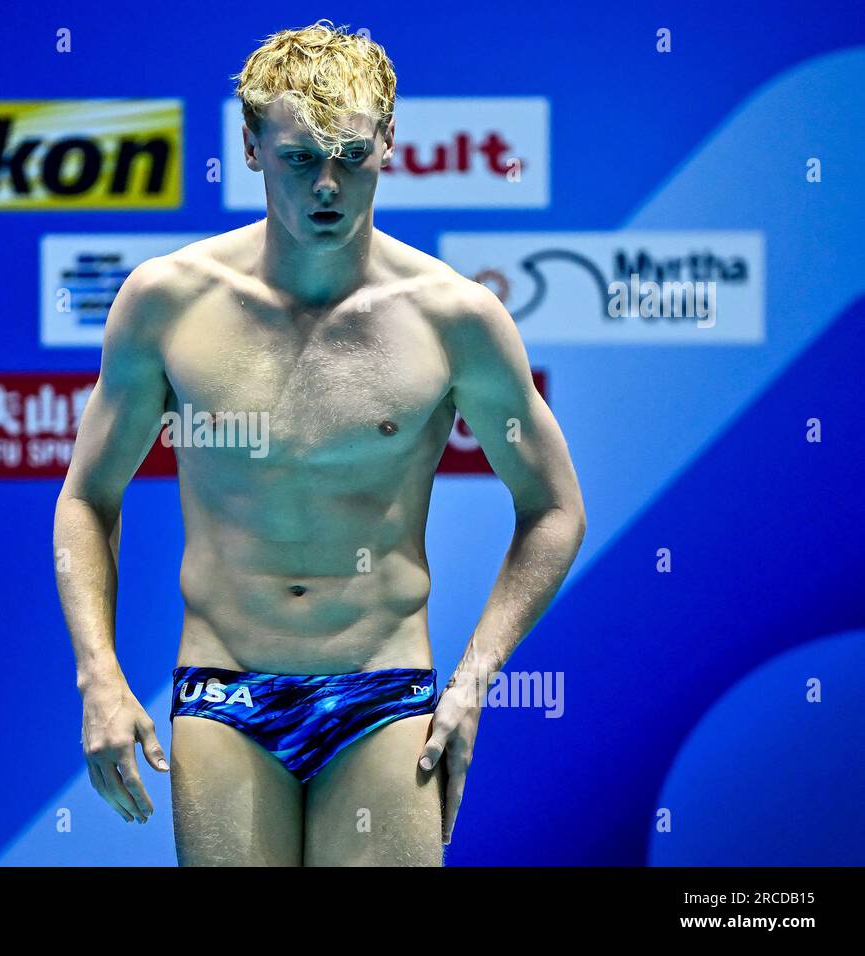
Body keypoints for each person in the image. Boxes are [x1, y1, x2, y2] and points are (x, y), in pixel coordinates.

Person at [53, 19, 586, 866]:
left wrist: (476, 678)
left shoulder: (454, 319)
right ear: (251, 148)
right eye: (301, 157)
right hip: (224, 690)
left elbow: (554, 508)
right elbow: (87, 497)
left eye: (350, 154)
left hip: (384, 692)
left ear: (389, 142)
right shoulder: (167, 303)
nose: (328, 185)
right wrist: (99, 677)